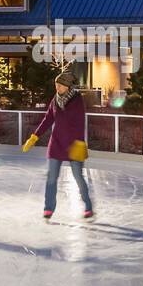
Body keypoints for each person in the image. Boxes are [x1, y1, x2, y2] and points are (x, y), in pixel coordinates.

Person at [22, 70, 93, 221]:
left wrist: (80, 142)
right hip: (57, 144)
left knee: (78, 177)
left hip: (74, 145)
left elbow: (80, 123)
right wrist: (34, 137)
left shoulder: (77, 100)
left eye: (60, 85)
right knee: (51, 178)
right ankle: (48, 208)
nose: (57, 88)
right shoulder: (55, 100)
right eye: (56, 85)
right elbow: (48, 119)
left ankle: (88, 207)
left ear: (67, 86)